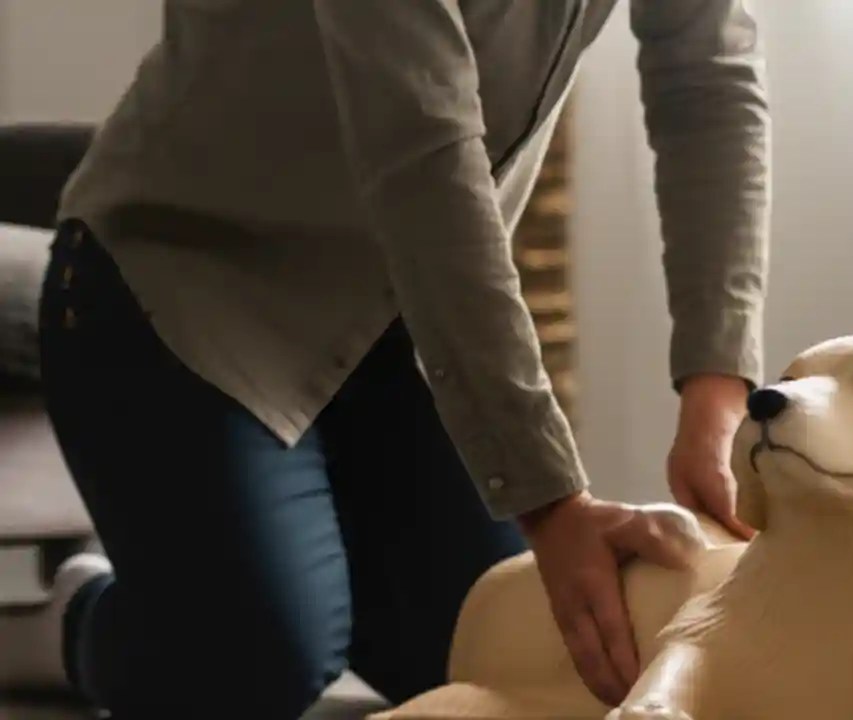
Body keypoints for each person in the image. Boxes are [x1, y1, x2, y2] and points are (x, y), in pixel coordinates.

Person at [0, 1, 770, 717]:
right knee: (257, 660)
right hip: (181, 286)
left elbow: (708, 82)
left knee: (511, 658)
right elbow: (425, 149)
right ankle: (66, 621)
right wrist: (551, 502)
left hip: (399, 323)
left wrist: (716, 392)